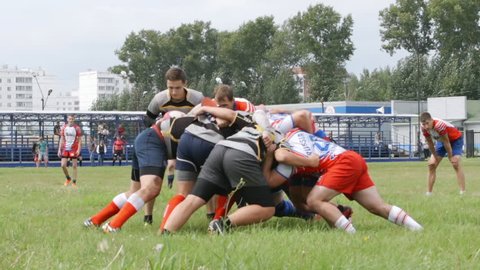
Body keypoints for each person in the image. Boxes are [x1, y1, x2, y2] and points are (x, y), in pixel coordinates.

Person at [274, 128, 423, 234]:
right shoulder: (295, 133)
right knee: (377, 206)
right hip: (352, 158)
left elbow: (281, 156)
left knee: (314, 200)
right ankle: (418, 230)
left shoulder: (283, 149)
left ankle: (351, 236)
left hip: (341, 162)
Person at [162, 119, 279, 234]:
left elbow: (258, 113)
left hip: (219, 149)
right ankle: (221, 224)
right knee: (267, 208)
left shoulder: (252, 123)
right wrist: (270, 155)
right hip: (241, 153)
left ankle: (166, 232)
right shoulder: (279, 134)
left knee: (193, 199)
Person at [142, 66, 204, 225]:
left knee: (205, 176)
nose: (174, 92)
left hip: (189, 143)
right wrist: (159, 124)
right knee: (153, 180)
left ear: (185, 84)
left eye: (177, 87)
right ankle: (147, 217)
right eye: (170, 87)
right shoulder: (159, 99)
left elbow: (208, 118)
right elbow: (148, 119)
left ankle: (211, 215)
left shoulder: (197, 98)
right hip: (165, 141)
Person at [420, 112, 465, 196]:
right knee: (432, 165)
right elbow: (430, 143)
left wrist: (451, 157)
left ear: (431, 120)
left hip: (455, 140)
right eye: (424, 124)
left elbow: (447, 142)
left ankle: (463, 192)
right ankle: (429, 193)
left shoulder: (439, 125)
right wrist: (435, 156)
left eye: (427, 123)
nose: (426, 126)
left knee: (455, 163)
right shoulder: (423, 128)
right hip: (441, 141)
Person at [58, 115, 82, 187]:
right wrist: (59, 149)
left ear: (73, 120)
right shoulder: (64, 127)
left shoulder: (77, 128)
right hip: (65, 148)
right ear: (67, 120)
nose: (71, 120)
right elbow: (61, 139)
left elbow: (80, 140)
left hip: (74, 148)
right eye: (69, 119)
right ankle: (68, 178)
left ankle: (74, 182)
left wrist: (78, 149)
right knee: (63, 165)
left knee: (74, 166)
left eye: (72, 119)